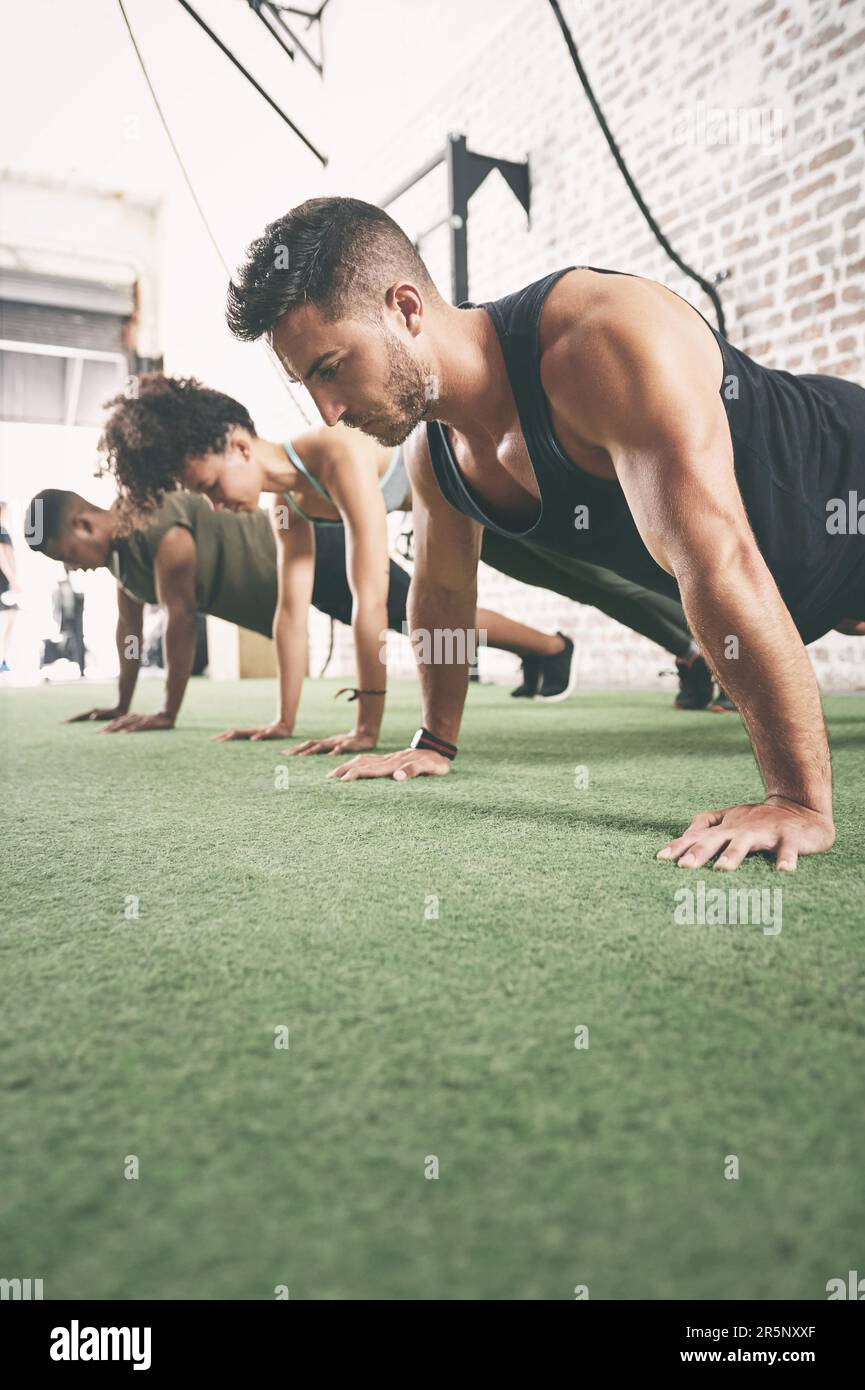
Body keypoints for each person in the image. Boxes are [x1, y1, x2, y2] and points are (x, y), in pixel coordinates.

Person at [223, 196, 865, 870]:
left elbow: (716, 557)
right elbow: (440, 594)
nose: (328, 411)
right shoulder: (435, 457)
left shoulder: (598, 338)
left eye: (330, 367)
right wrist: (433, 742)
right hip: (807, 591)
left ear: (406, 309)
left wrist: (794, 798)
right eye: (307, 385)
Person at [96, 377, 715, 754]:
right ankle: (682, 651)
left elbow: (370, 595)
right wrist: (282, 720)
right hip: (444, 511)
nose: (210, 503)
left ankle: (711, 639)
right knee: (567, 582)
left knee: (592, 572)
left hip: (475, 482)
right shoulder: (285, 504)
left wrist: (367, 725)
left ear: (236, 444)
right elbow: (291, 610)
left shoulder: (333, 452)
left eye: (206, 484)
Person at [0, 501, 19, 673]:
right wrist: (13, 580)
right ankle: (1, 660)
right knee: (6, 621)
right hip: (4, 584)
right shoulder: (2, 532)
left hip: (5, 583)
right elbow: (3, 557)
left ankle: (3, 660)